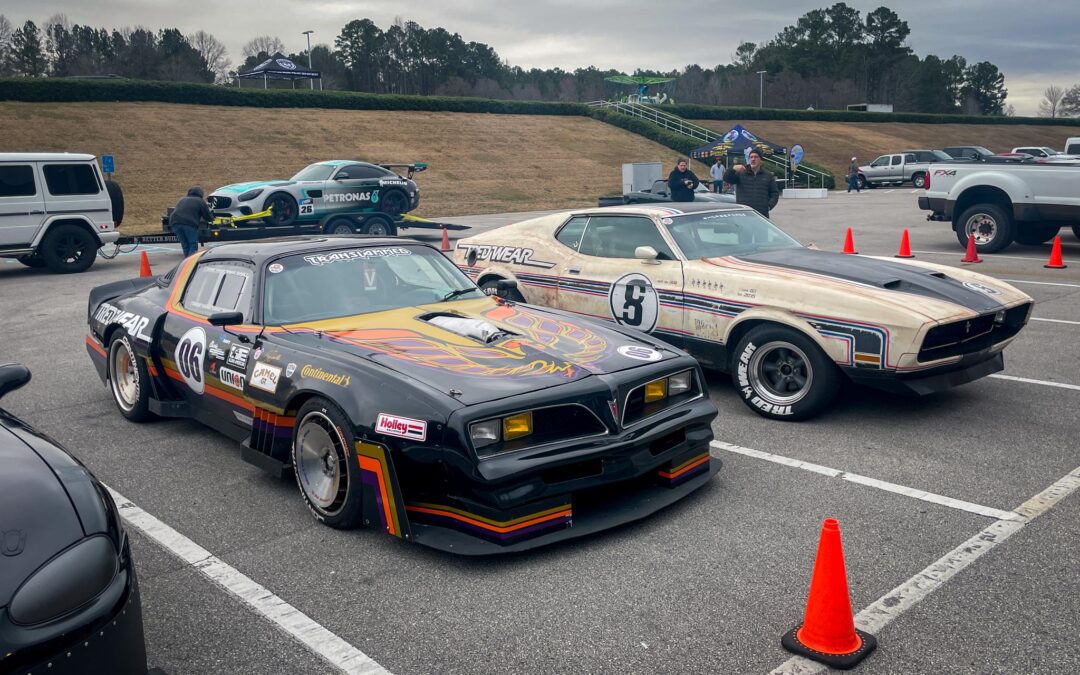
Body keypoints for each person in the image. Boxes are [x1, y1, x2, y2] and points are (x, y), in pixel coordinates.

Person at [722, 148, 780, 217]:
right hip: (744, 213)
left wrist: (769, 206)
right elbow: (726, 178)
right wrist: (733, 168)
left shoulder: (768, 175)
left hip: (761, 214)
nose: (753, 159)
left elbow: (774, 193)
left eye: (756, 157)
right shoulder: (741, 173)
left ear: (761, 160)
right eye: (751, 157)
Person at [168, 186, 213, 257]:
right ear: (200, 193)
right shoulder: (200, 201)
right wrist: (212, 218)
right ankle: (191, 263)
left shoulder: (182, 199)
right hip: (188, 224)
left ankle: (186, 262)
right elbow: (207, 217)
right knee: (193, 244)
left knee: (185, 244)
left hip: (174, 222)